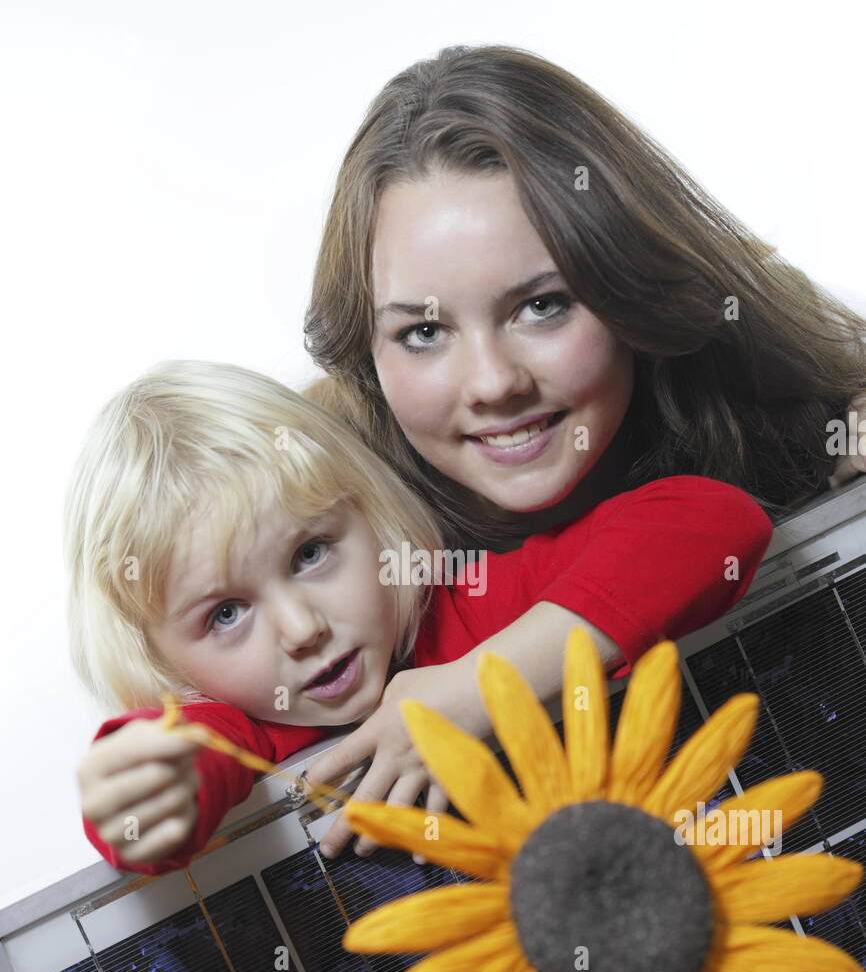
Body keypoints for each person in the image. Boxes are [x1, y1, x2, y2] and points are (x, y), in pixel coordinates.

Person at [300, 42, 866, 851]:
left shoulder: (779, 411)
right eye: (423, 331)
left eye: (542, 306)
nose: (493, 382)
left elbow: (707, 525)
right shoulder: (329, 532)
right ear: (367, 351)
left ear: (630, 284)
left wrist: (473, 690)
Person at [67, 361, 772, 875]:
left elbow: (715, 523)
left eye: (311, 553)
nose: (301, 628)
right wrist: (148, 787)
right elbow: (171, 775)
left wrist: (479, 686)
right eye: (224, 614)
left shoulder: (477, 610)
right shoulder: (250, 736)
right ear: (165, 659)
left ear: (370, 513)